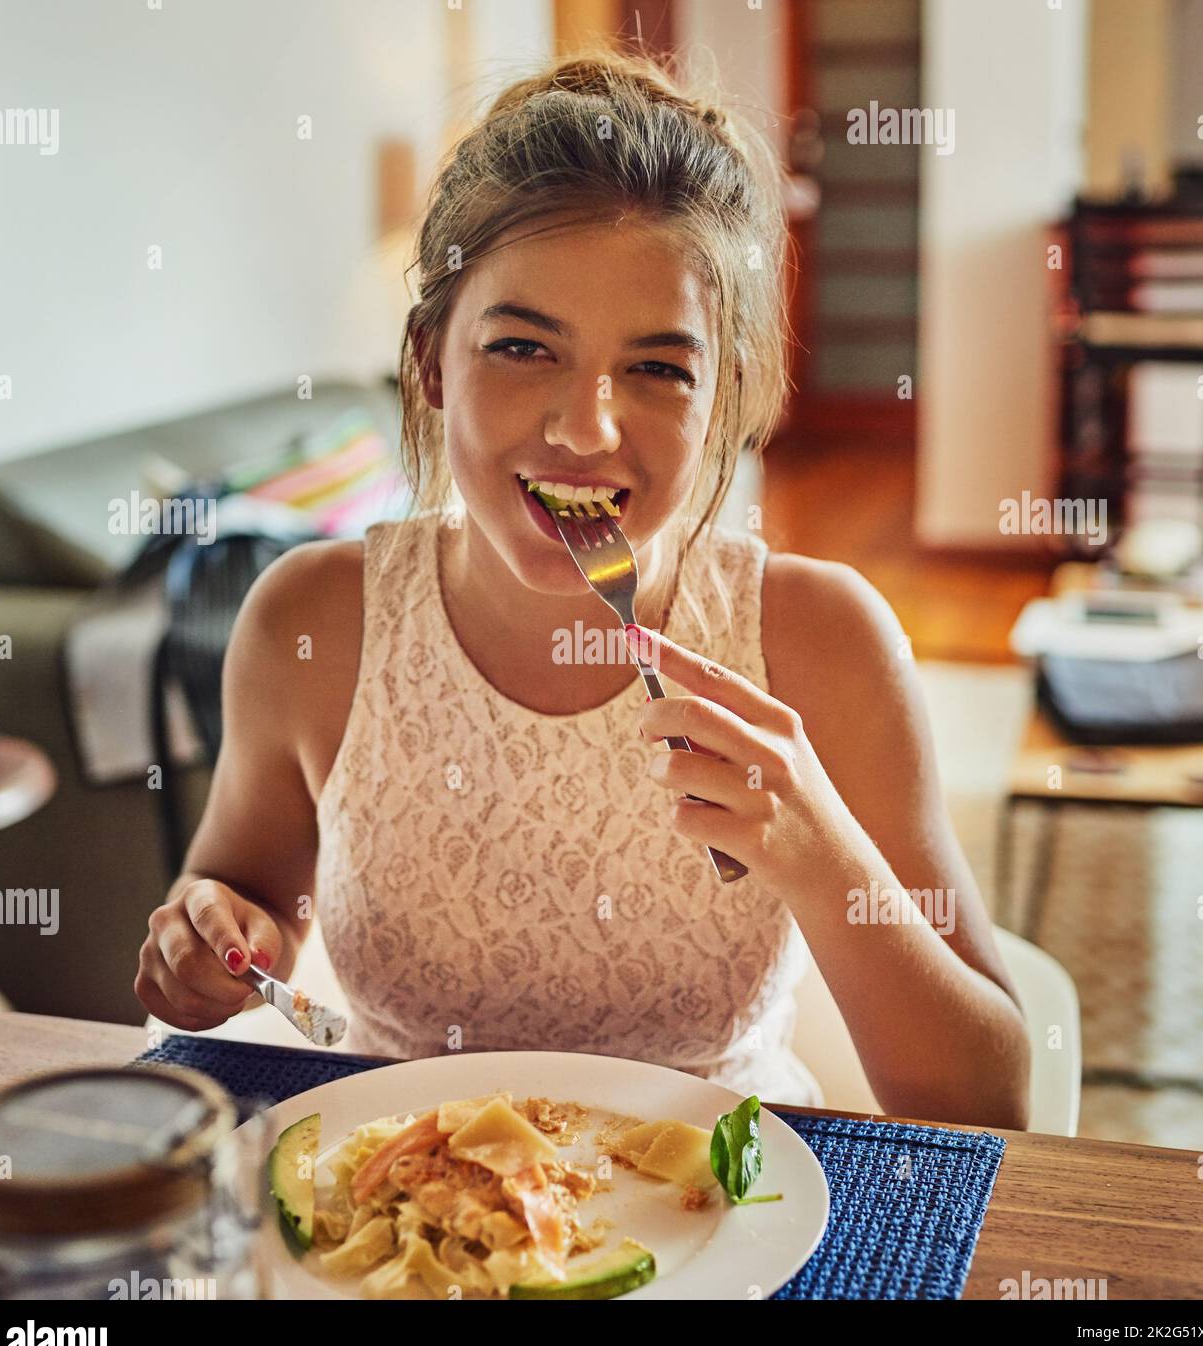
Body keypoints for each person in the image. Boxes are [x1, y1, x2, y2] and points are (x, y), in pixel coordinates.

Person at [135, 46, 1030, 1125]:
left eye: (658, 368)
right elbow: (244, 913)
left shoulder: (821, 641)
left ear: (724, 394)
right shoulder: (311, 624)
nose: (586, 430)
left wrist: (816, 845)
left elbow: (990, 1105)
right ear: (429, 360)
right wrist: (215, 945)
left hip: (723, 1219)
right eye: (521, 347)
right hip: (405, 1219)